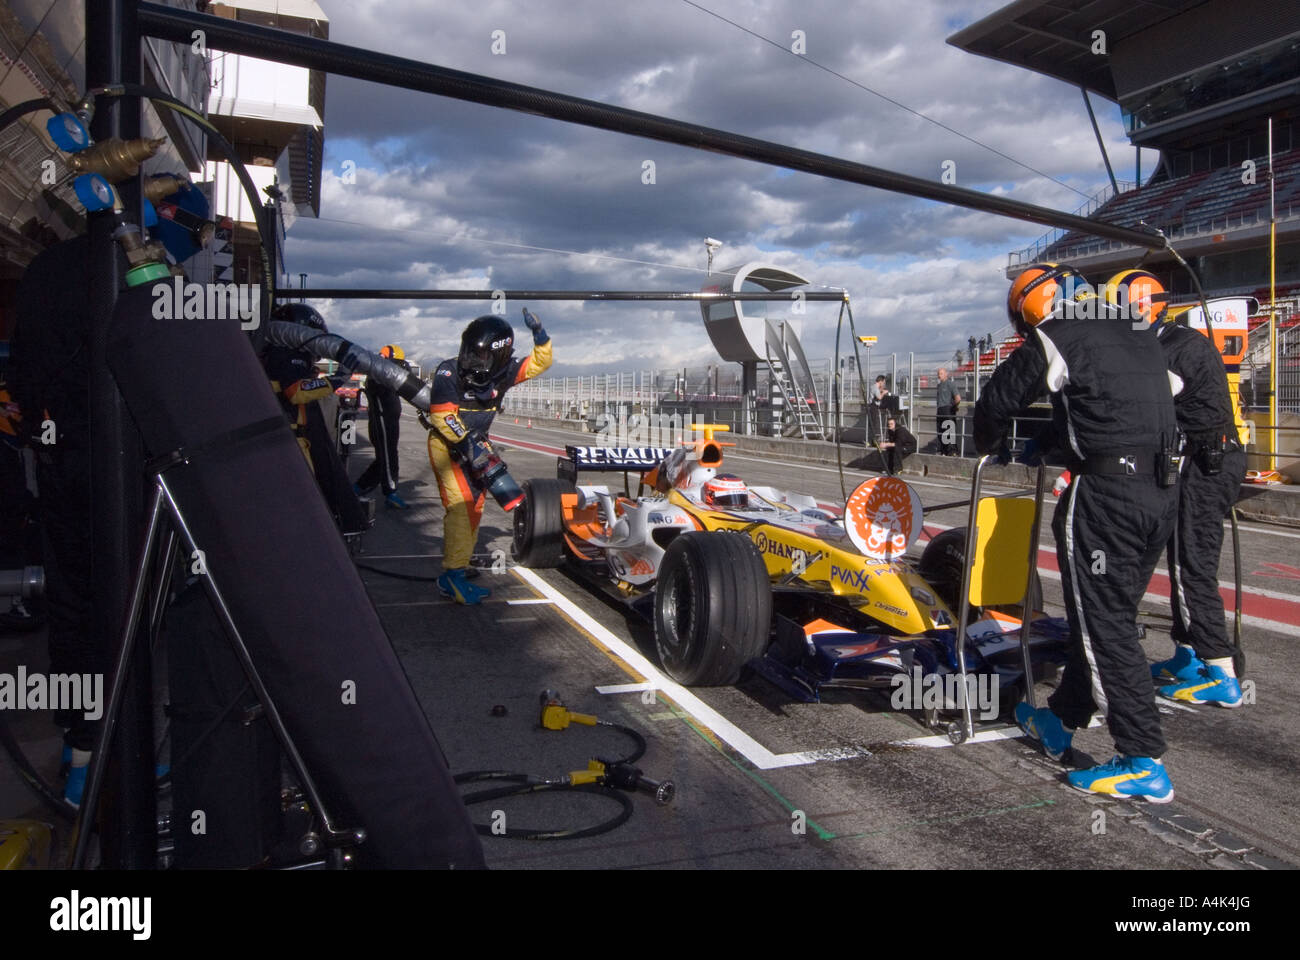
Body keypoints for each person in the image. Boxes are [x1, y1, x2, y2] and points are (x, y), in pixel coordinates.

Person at [975, 261, 1182, 802]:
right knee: (1103, 616)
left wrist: (991, 443)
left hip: (1107, 498)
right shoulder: (1133, 329)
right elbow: (1108, 408)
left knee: (1103, 627)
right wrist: (1051, 442)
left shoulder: (1058, 333)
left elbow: (998, 402)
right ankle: (1061, 719)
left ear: (1033, 307)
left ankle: (1142, 759)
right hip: (1162, 494)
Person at [1101, 271, 1247, 707]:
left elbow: (1140, 403)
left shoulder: (1177, 350)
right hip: (1197, 462)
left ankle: (1220, 671)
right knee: (1179, 559)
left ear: (1141, 307)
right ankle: (1187, 655)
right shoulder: (1162, 343)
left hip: (1208, 466)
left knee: (1191, 567)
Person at [426, 309, 552, 604]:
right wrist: (472, 446)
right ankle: (453, 575)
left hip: (477, 448)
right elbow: (443, 418)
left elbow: (541, 362)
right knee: (461, 507)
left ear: (499, 356)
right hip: (447, 447)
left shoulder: (506, 371)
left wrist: (540, 333)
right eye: (469, 352)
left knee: (475, 507)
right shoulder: (448, 372)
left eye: (479, 356)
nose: (471, 361)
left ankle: (458, 567)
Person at [262, 303, 369, 535]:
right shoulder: (285, 354)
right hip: (289, 441)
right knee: (305, 500)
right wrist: (337, 379)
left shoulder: (270, 353)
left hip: (285, 438)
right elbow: (297, 391)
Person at [354, 344, 410, 509]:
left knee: (383, 460)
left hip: (389, 422)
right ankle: (391, 492)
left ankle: (359, 487)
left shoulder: (383, 377)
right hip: (382, 422)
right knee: (389, 457)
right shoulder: (378, 377)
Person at [935, 367, 961, 455]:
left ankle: (952, 451)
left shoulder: (950, 384)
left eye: (941, 373)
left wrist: (953, 407)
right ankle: (943, 450)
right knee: (941, 431)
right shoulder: (939, 386)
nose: (939, 375)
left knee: (949, 430)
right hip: (940, 410)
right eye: (938, 373)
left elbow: (958, 398)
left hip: (948, 410)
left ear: (946, 374)